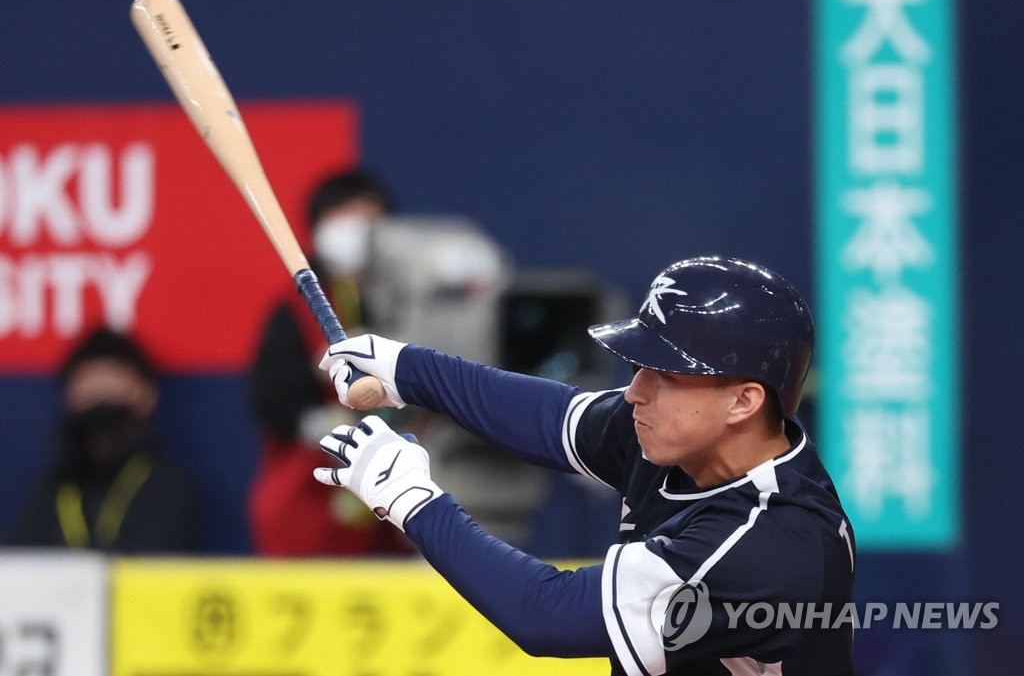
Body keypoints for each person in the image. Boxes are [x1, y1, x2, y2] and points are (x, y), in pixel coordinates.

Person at [311, 256, 855, 675]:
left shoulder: (774, 542)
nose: (636, 391)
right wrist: (407, 368)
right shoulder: (679, 437)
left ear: (744, 401)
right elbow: (552, 418)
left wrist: (412, 501)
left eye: (666, 373)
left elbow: (547, 616)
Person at [247, 168, 409, 556]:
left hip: (394, 492)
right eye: (343, 216)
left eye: (369, 219)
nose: (356, 229)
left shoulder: (405, 305)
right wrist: (323, 425)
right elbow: (271, 399)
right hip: (311, 494)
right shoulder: (295, 309)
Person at [8, 327, 200, 553]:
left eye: (113, 381)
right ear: (69, 397)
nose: (100, 391)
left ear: (148, 395)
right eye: (88, 382)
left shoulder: (167, 487)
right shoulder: (53, 489)